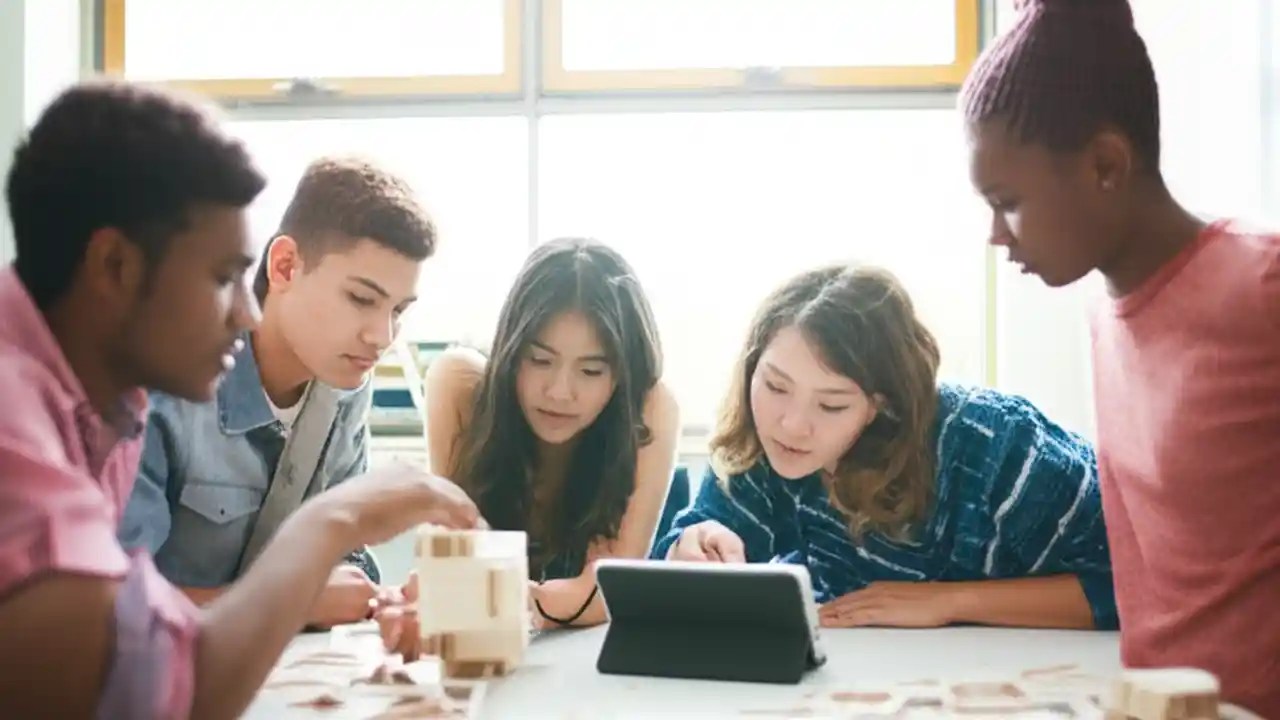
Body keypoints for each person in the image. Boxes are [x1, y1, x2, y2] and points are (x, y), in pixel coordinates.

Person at [0, 80, 481, 720]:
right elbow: (162, 694)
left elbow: (144, 645)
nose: (246, 311)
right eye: (224, 278)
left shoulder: (114, 408)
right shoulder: (13, 424)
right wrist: (332, 521)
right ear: (114, 267)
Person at [960, 0, 1280, 714]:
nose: (995, 236)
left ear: (1106, 164)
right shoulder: (1101, 310)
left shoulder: (1261, 289)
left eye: (1007, 202)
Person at [652, 265, 1116, 632]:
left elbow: (1138, 586)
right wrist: (692, 549)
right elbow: (685, 553)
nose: (791, 425)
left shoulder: (1000, 447)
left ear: (882, 405)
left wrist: (950, 602)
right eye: (775, 385)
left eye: (831, 405)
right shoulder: (760, 437)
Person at [118, 156, 435, 629]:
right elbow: (112, 604)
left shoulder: (344, 385)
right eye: (362, 300)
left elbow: (344, 548)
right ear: (285, 266)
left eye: (398, 310)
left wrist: (380, 598)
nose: (382, 336)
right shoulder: (164, 388)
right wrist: (290, 602)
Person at [378, 238, 680, 655]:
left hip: (588, 670)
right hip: (482, 662)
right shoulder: (461, 387)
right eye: (539, 360)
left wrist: (508, 599)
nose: (559, 391)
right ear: (510, 349)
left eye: (591, 370)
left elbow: (607, 587)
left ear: (622, 376)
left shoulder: (649, 408)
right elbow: (452, 565)